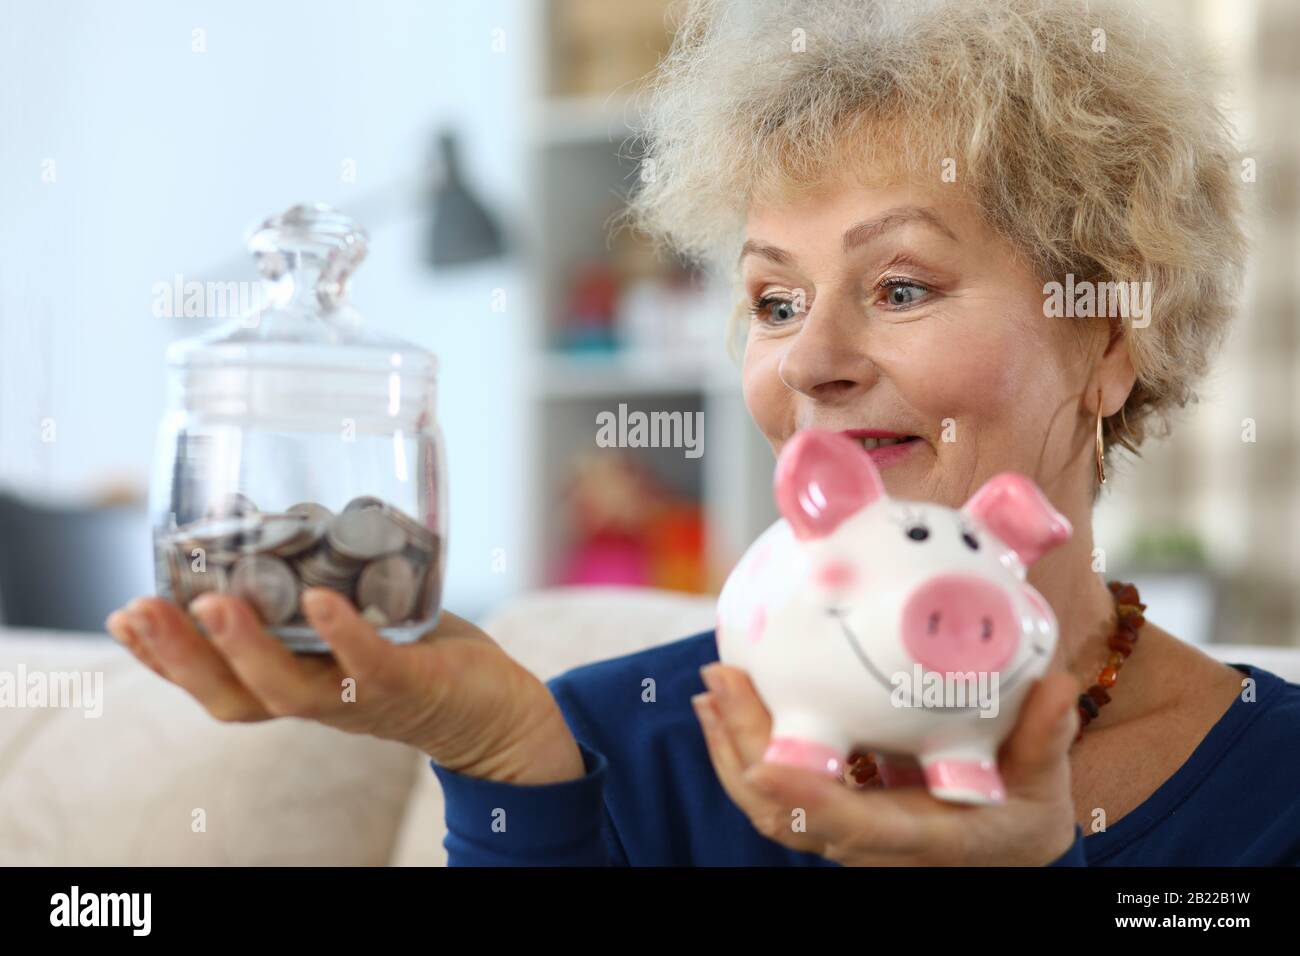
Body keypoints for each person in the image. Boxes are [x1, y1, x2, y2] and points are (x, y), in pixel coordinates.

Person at [108, 0, 1300, 865]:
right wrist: (494, 752)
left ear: (1107, 341)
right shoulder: (598, 743)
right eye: (774, 302)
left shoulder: (1274, 779)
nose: (812, 362)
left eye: (900, 286)